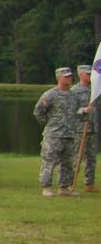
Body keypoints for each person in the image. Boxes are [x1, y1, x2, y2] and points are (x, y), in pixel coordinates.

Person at [33, 67, 87, 197]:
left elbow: (77, 112)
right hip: (54, 135)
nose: (69, 78)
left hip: (70, 134)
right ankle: (46, 187)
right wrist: (50, 124)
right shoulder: (50, 95)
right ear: (59, 78)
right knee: (49, 161)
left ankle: (64, 187)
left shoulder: (74, 95)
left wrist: (84, 111)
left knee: (67, 162)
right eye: (66, 76)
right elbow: (38, 112)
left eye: (70, 76)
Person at [80, 65, 99, 192]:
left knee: (91, 158)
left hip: (92, 128)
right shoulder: (74, 91)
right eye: (88, 74)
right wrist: (83, 110)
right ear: (81, 74)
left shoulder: (95, 90)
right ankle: (67, 183)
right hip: (79, 129)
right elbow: (70, 110)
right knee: (76, 157)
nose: (90, 76)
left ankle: (89, 184)